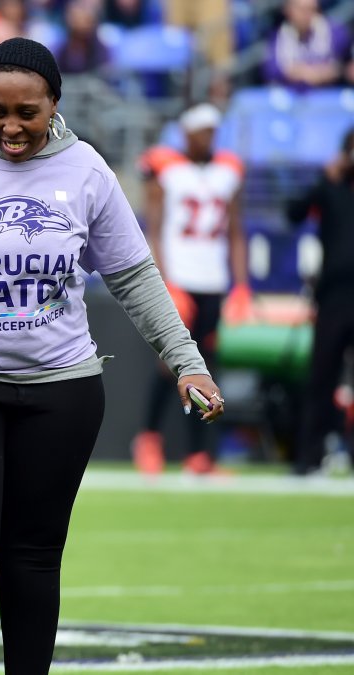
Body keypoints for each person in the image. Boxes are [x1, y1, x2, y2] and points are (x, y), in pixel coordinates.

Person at [0, 38, 224, 674]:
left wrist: (187, 361)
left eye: (27, 113)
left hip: (61, 388)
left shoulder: (89, 171)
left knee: (32, 551)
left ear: (54, 106)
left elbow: (134, 276)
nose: (11, 127)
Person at [131, 102, 250, 475]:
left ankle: (200, 454)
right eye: (202, 131)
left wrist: (241, 284)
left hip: (212, 279)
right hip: (180, 277)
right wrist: (165, 281)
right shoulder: (167, 169)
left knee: (206, 365)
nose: (208, 138)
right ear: (186, 132)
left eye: (213, 131)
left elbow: (234, 231)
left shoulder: (227, 170)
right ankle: (149, 437)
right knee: (171, 364)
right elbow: (154, 229)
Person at [286, 127, 354, 475]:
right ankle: (309, 458)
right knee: (321, 377)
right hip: (334, 296)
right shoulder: (330, 188)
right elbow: (293, 212)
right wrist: (321, 179)